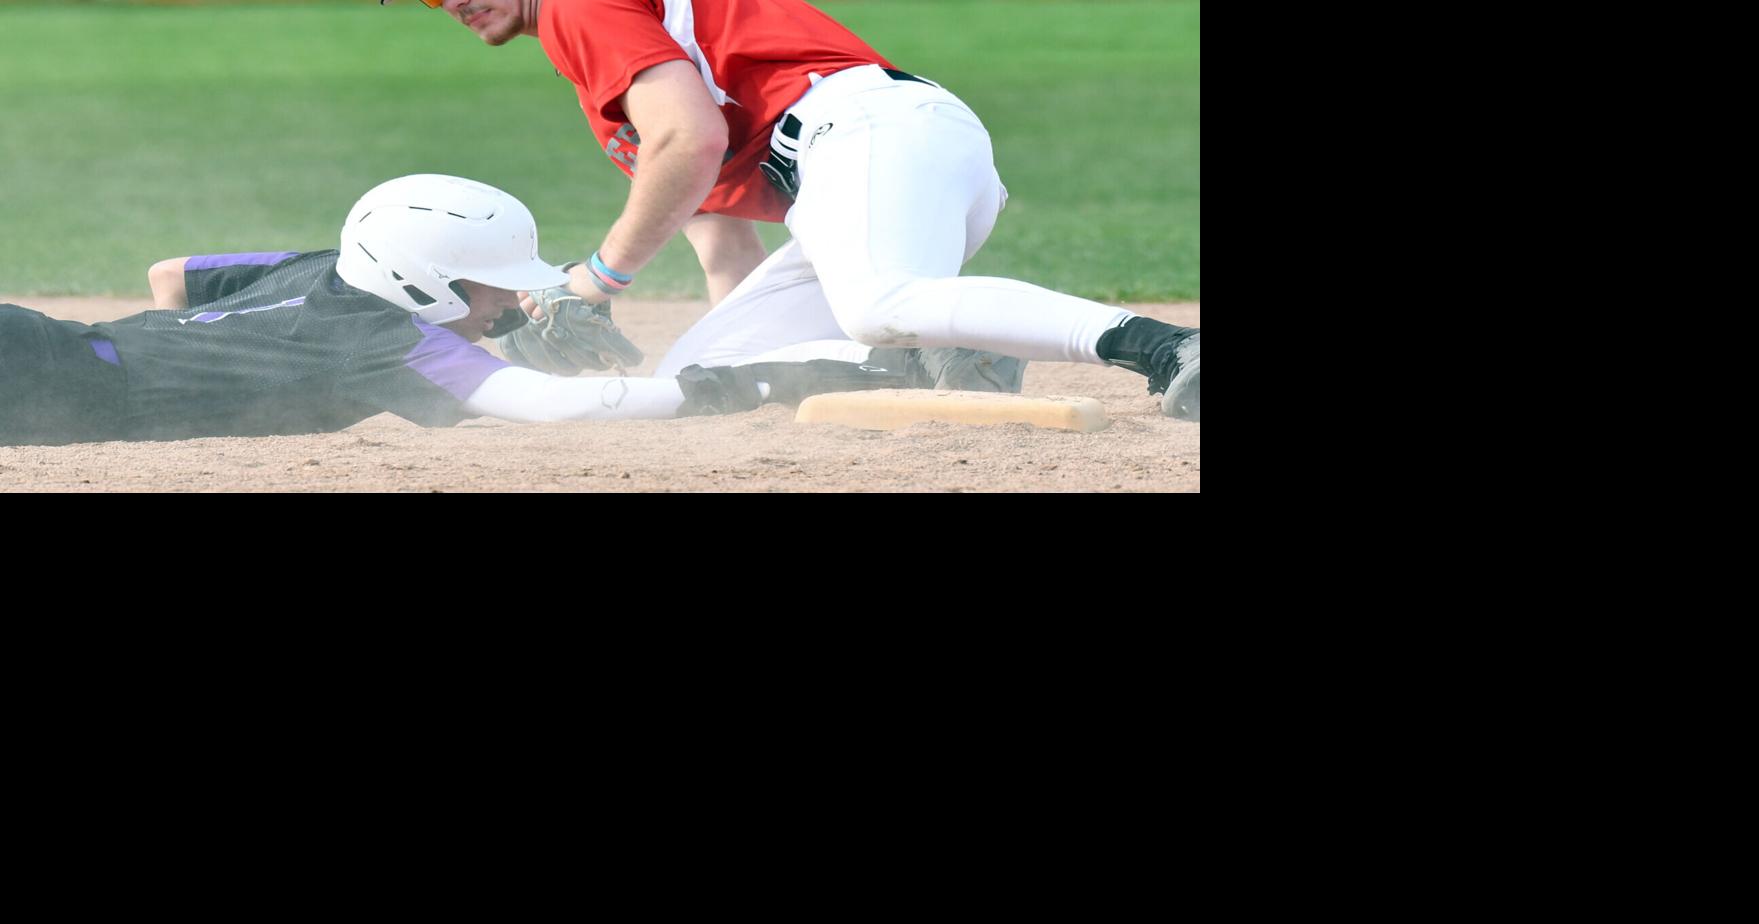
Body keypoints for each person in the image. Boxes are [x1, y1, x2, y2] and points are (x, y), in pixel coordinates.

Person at [387, 0, 1200, 421]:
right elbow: (724, 251)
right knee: (704, 376)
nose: (450, 0)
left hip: (872, 137)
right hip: (860, 176)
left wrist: (597, 281)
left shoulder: (579, 7)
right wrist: (592, 291)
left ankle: (1168, 348)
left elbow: (691, 140)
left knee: (879, 301)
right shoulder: (608, 82)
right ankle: (935, 351)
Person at [1, 173, 913, 447]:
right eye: (496, 286)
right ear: (418, 284)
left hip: (48, 354)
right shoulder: (389, 346)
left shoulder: (326, 270)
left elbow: (171, 279)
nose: (515, 299)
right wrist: (754, 383)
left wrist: (176, 357)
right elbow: (551, 406)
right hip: (41, 379)